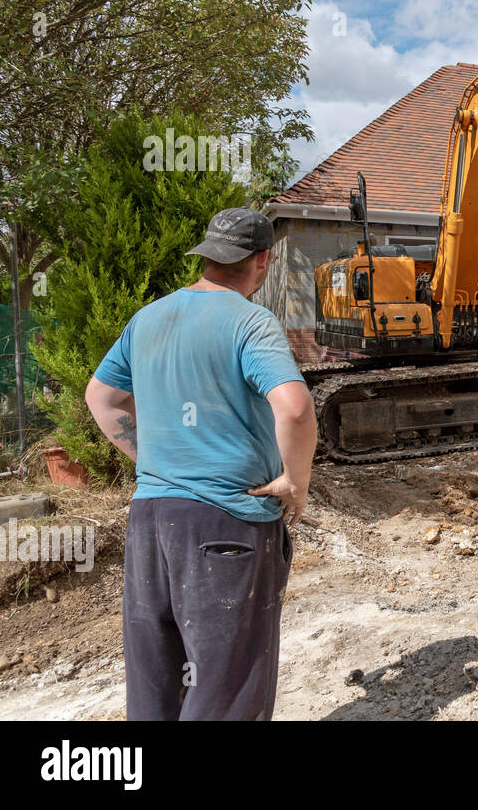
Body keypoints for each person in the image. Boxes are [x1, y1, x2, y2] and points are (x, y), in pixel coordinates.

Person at [84, 207, 317, 721]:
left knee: (156, 674)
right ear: (264, 261)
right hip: (227, 524)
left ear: (207, 254)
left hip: (151, 520)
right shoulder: (251, 321)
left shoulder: (148, 318)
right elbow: (296, 409)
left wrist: (159, 461)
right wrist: (294, 482)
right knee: (227, 682)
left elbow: (101, 398)